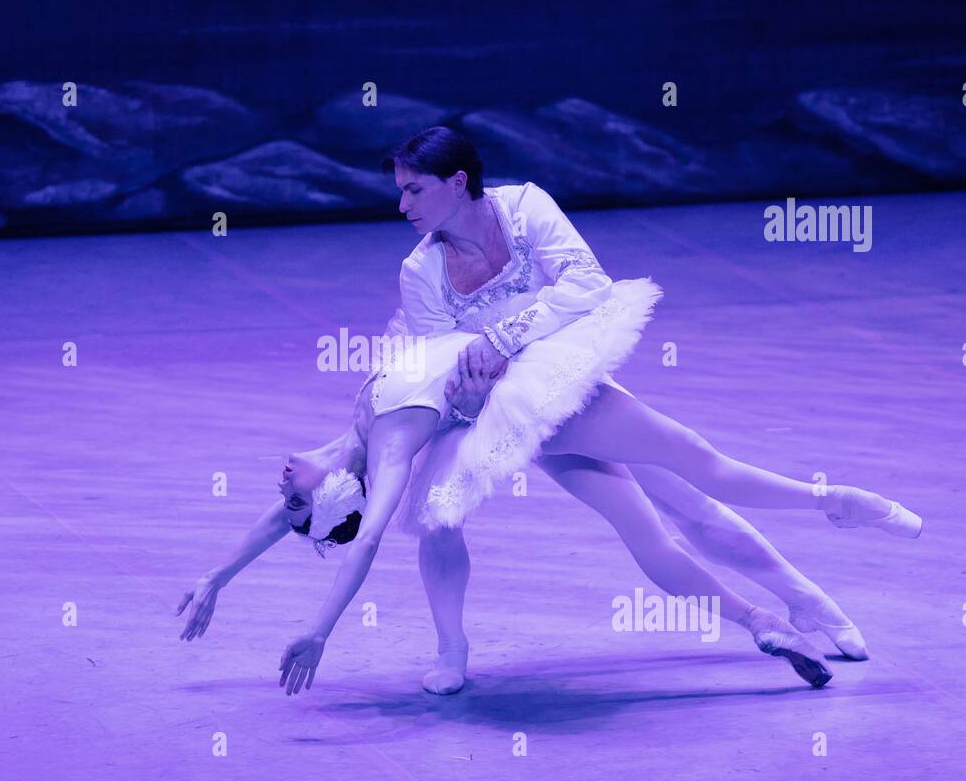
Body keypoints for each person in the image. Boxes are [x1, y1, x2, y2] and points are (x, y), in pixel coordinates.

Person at [375, 126, 920, 693]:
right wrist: (470, 386)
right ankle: (451, 650)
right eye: (401, 191)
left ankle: (807, 595)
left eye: (414, 190)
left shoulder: (523, 206)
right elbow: (441, 364)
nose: (402, 204)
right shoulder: (421, 272)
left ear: (457, 182)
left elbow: (587, 283)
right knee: (630, 520)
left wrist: (502, 340)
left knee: (694, 499)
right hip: (515, 415)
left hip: (573, 382)